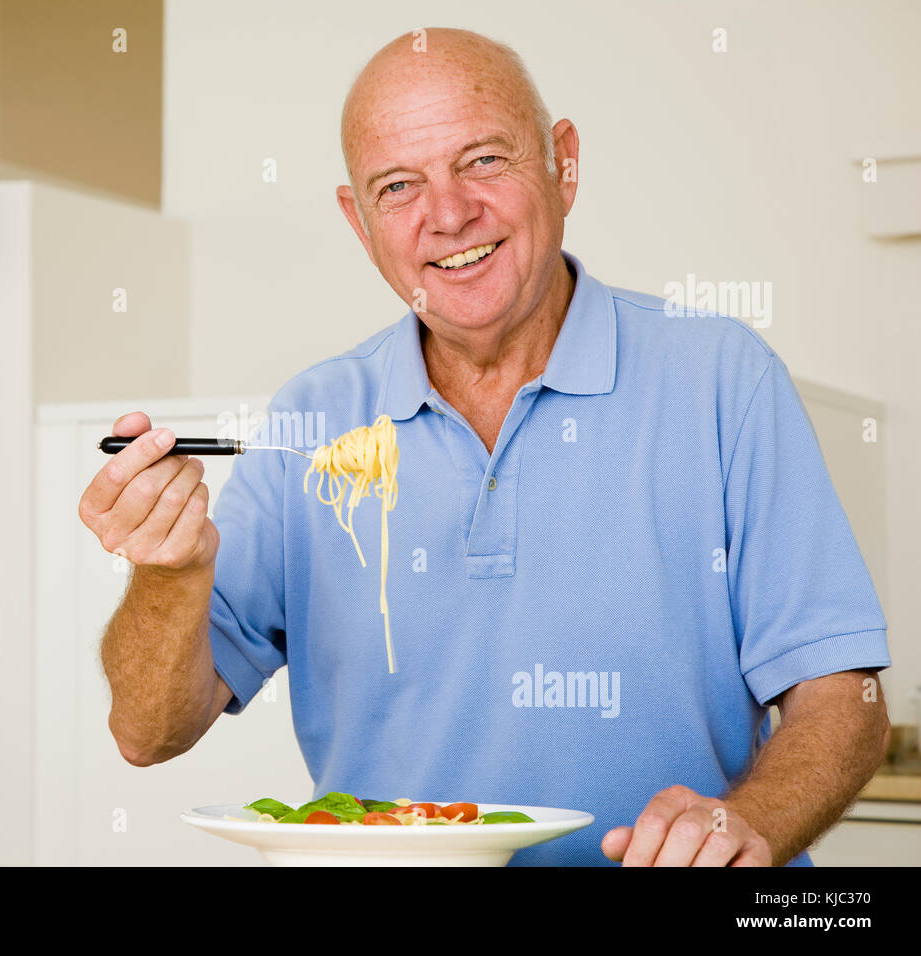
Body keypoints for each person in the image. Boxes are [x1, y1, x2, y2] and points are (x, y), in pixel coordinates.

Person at [77, 28, 892, 865]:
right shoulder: (312, 419)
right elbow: (148, 732)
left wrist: (750, 821)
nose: (450, 213)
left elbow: (847, 700)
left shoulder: (724, 380)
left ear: (562, 163)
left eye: (484, 161)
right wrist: (167, 575)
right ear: (360, 223)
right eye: (399, 186)